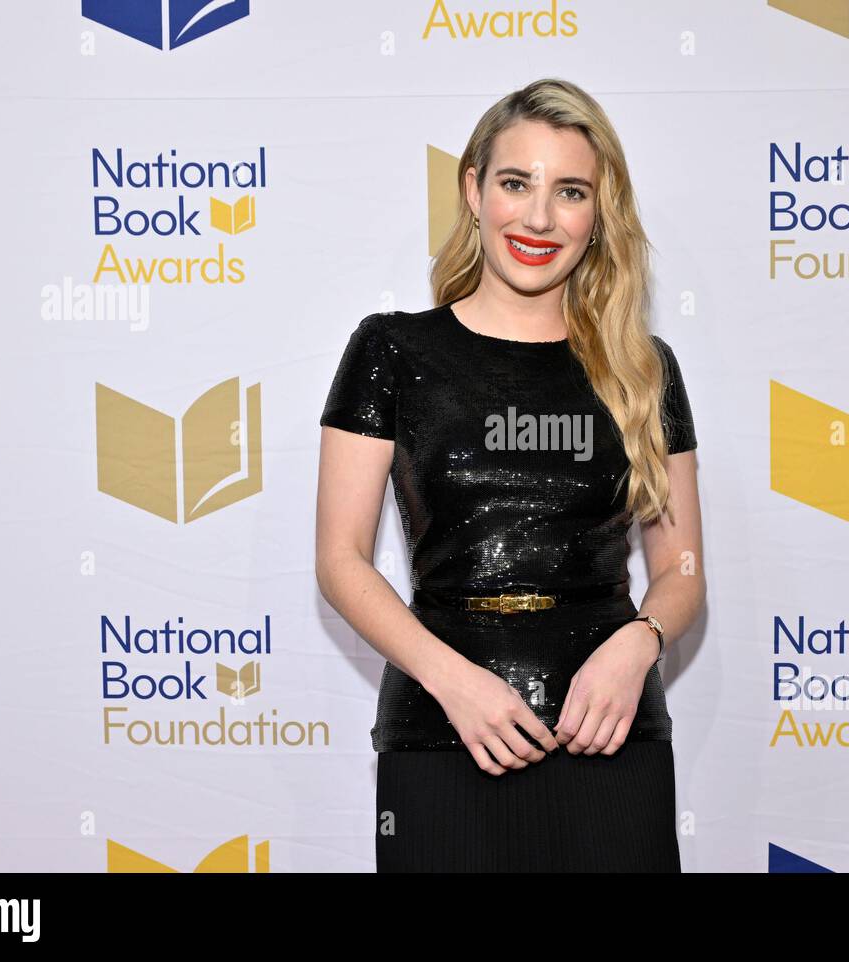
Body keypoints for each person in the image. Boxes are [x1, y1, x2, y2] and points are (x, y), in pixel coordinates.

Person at [314, 77, 704, 873]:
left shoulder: (643, 370)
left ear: (599, 215)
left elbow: (681, 571)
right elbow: (340, 561)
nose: (537, 217)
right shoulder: (392, 351)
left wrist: (638, 645)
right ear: (474, 189)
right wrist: (454, 683)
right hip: (441, 734)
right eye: (515, 183)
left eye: (569, 192)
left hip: (610, 735)